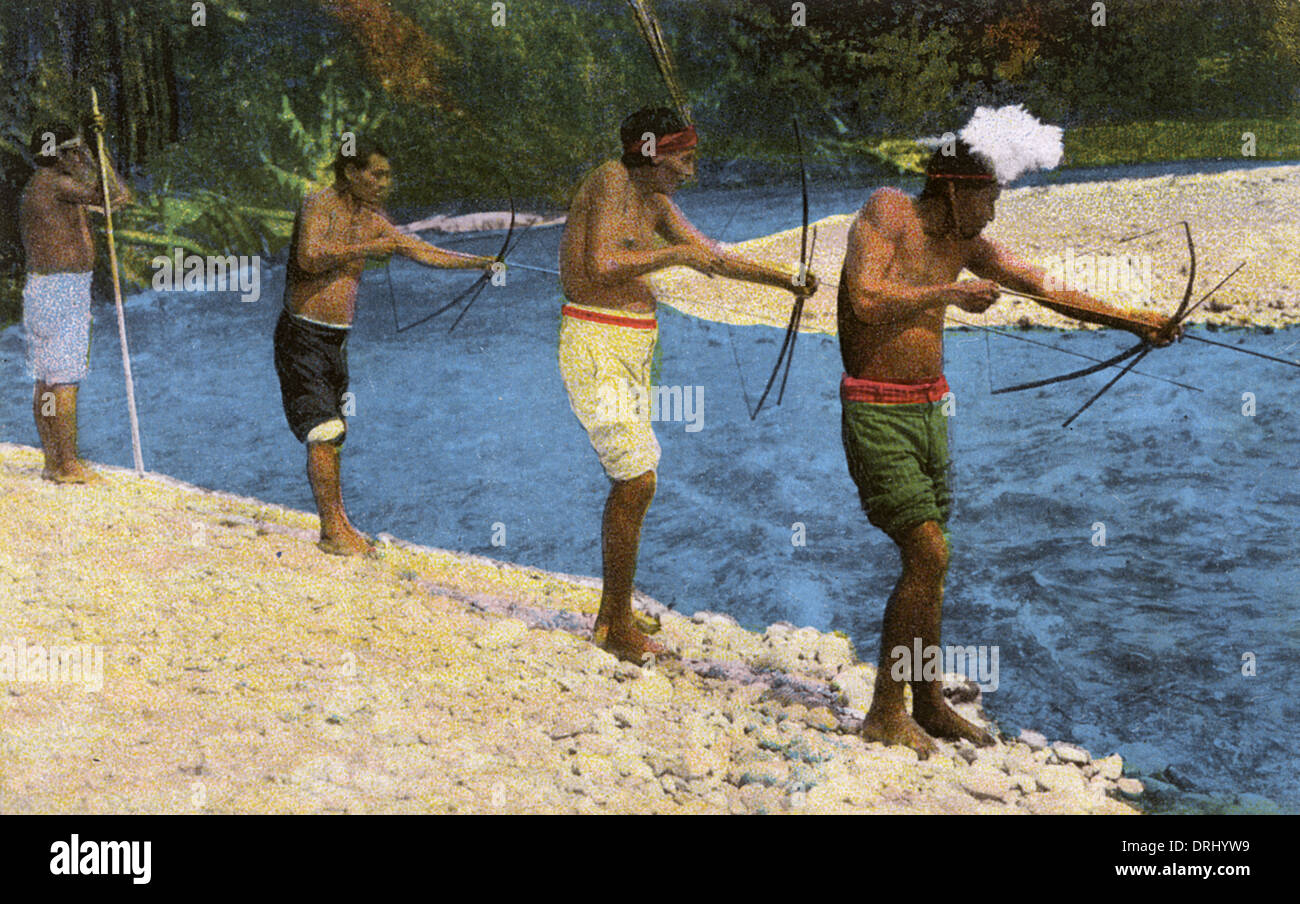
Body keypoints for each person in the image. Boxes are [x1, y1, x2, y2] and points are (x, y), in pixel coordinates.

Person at [838, 137, 1179, 758]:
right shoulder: (889, 211)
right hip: (876, 408)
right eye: (989, 198)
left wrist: (1137, 320)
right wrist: (948, 294)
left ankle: (927, 699)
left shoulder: (968, 242)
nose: (993, 212)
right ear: (954, 189)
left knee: (931, 564)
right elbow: (864, 299)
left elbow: (1040, 284)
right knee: (929, 556)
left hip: (930, 408)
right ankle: (884, 710)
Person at [558, 106, 819, 662]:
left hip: (636, 344)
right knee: (636, 478)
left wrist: (786, 280)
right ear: (652, 151)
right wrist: (676, 254)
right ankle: (615, 623)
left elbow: (716, 259)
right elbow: (601, 264)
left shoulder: (656, 203)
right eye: (685, 156)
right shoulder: (609, 179)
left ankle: (614, 611)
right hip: (595, 342)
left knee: (637, 474)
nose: (691, 171)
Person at [274, 138, 495, 556]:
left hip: (335, 340)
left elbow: (421, 250)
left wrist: (479, 262)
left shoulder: (373, 219)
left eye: (388, 175)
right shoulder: (318, 204)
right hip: (301, 334)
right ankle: (334, 531)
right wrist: (366, 250)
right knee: (325, 429)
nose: (384, 183)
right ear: (351, 172)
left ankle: (336, 526)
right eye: (376, 174)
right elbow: (309, 257)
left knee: (334, 434)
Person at [19, 117, 131, 483]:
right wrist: (98, 153)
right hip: (63, 291)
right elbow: (114, 195)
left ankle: (54, 460)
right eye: (72, 152)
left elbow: (119, 201)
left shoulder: (43, 185)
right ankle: (66, 464)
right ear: (63, 154)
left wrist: (87, 153)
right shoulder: (57, 185)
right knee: (63, 380)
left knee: (47, 380)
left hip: (45, 290)